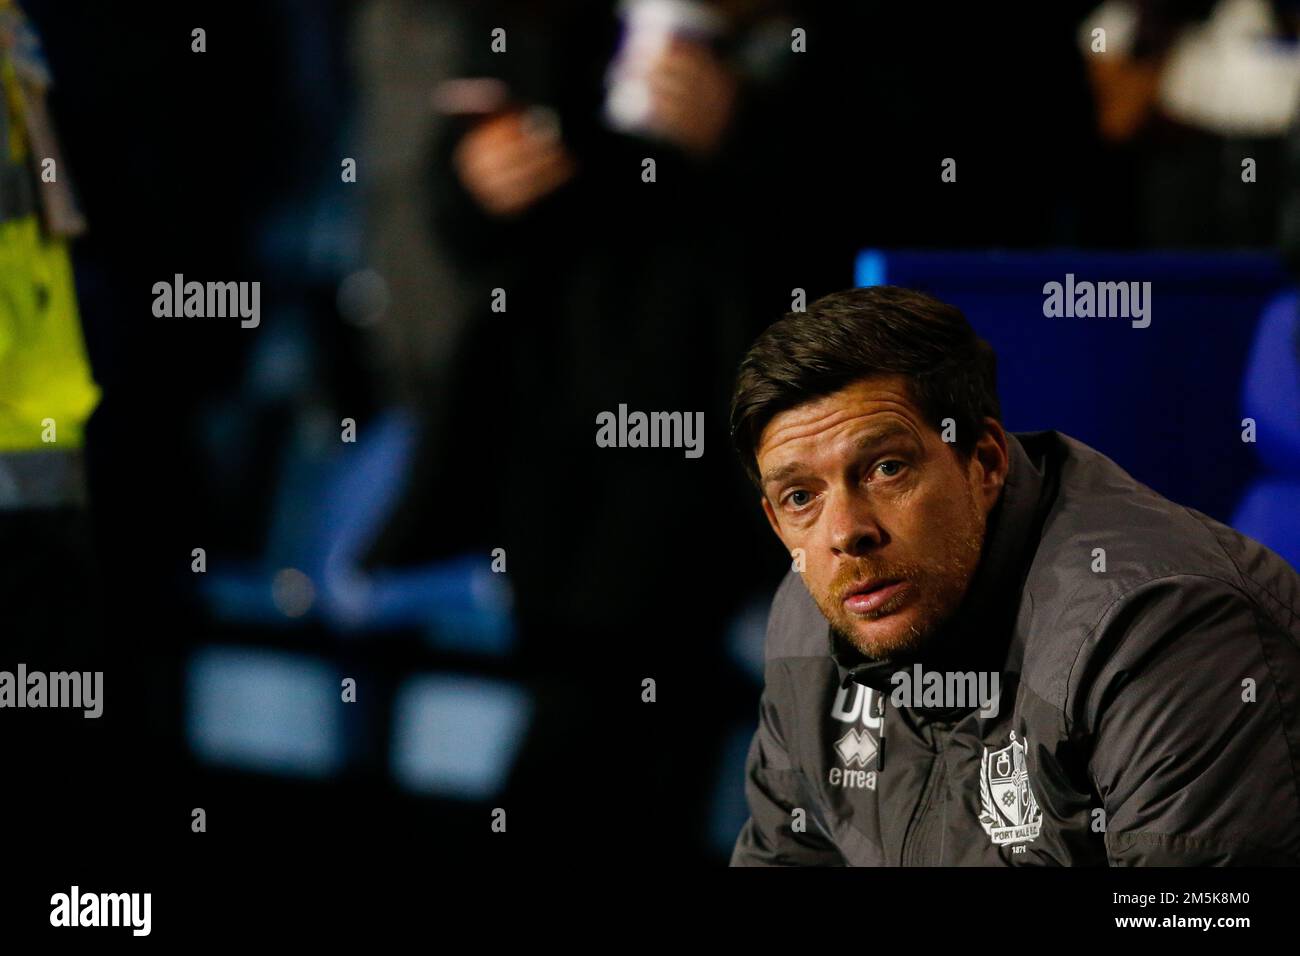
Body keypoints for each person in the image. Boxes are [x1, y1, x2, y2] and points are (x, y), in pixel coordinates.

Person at [728, 285, 1300, 865]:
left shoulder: (1158, 628)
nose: (845, 533)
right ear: (776, 522)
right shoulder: (809, 623)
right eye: (802, 496)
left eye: (886, 468)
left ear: (985, 463)